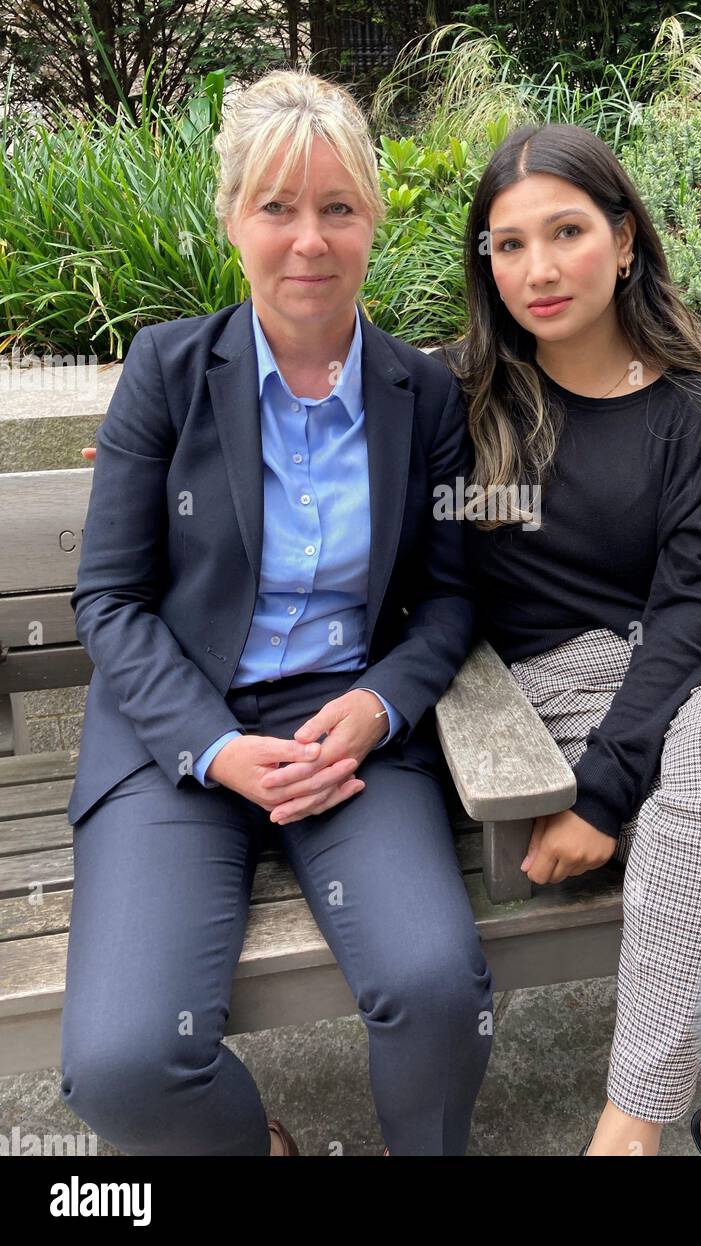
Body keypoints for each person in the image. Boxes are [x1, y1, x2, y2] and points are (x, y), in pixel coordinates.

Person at [61, 69, 494, 1157]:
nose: (309, 239)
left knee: (440, 992)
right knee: (124, 1066)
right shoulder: (166, 372)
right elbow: (109, 598)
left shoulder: (423, 395)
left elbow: (450, 597)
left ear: (372, 223)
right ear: (232, 221)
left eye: (337, 207)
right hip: (180, 736)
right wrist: (214, 746)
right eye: (277, 207)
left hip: (345, 733)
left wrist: (380, 706)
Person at [443, 121, 701, 1157]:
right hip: (556, 683)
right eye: (509, 244)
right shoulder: (459, 397)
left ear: (622, 240)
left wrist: (604, 794)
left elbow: (697, 609)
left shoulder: (700, 406)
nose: (538, 268)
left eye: (566, 231)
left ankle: (629, 1124)